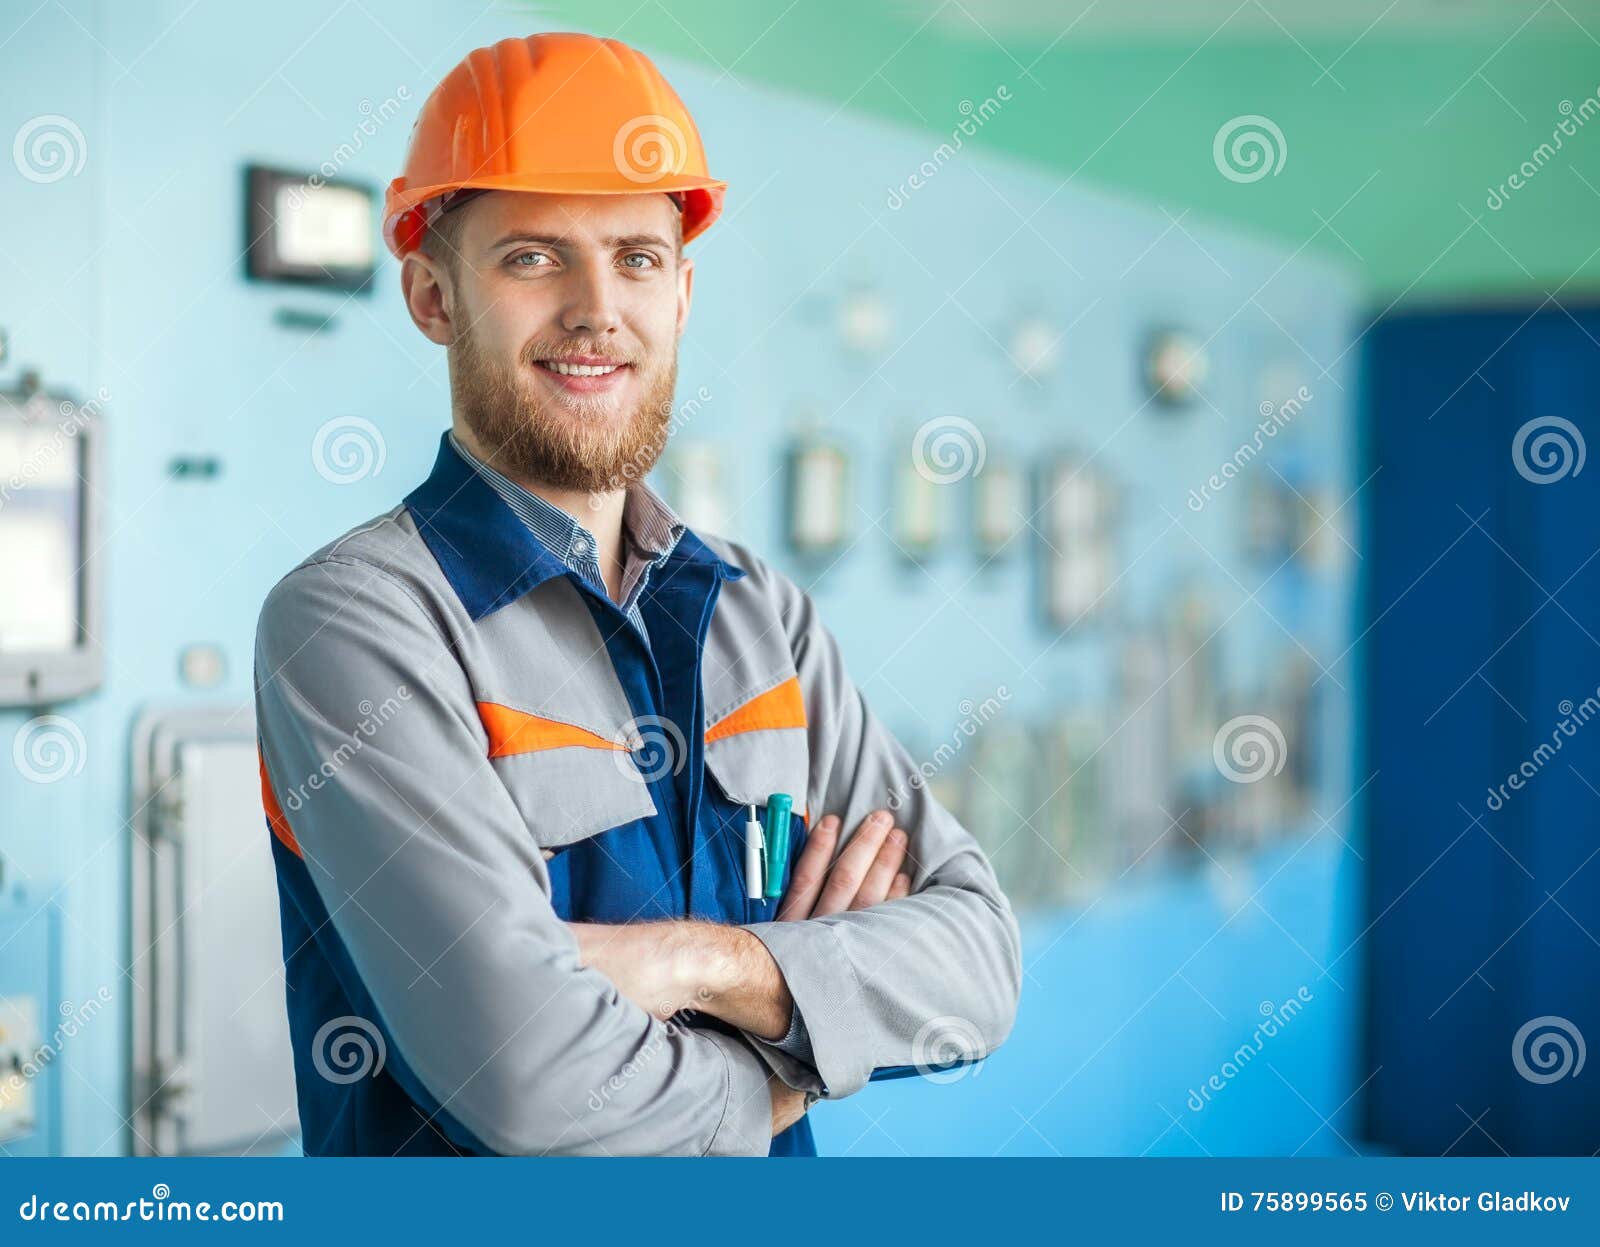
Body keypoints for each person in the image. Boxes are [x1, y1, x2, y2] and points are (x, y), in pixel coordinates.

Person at [255, 31, 1020, 1157]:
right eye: (531, 258)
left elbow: (978, 969)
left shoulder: (760, 616)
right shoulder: (359, 623)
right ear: (430, 295)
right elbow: (529, 1084)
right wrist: (791, 1057)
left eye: (637, 258)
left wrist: (703, 961)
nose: (594, 309)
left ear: (682, 290)